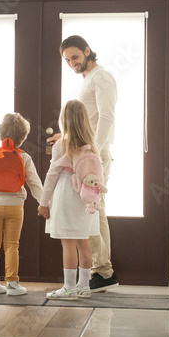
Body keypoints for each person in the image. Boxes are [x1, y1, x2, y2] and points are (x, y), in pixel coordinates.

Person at [55, 35, 119, 292]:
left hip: (93, 156)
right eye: (67, 60)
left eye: (75, 57)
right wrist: (68, 137)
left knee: (92, 210)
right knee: (94, 209)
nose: (72, 63)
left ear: (87, 51)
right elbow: (90, 120)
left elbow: (106, 116)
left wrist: (93, 150)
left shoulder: (101, 77)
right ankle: (103, 271)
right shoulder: (89, 80)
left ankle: (103, 271)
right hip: (86, 153)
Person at [39, 100, 104, 300]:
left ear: (63, 120)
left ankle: (68, 288)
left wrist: (43, 202)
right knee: (83, 241)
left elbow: (52, 175)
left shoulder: (62, 145)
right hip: (86, 198)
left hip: (67, 192)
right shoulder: (92, 146)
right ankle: (83, 287)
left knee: (68, 242)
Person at [0, 113, 44, 296]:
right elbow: (35, 184)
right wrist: (44, 203)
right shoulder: (25, 158)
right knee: (12, 245)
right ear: (22, 138)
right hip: (15, 207)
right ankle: (12, 284)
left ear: (0, 133)